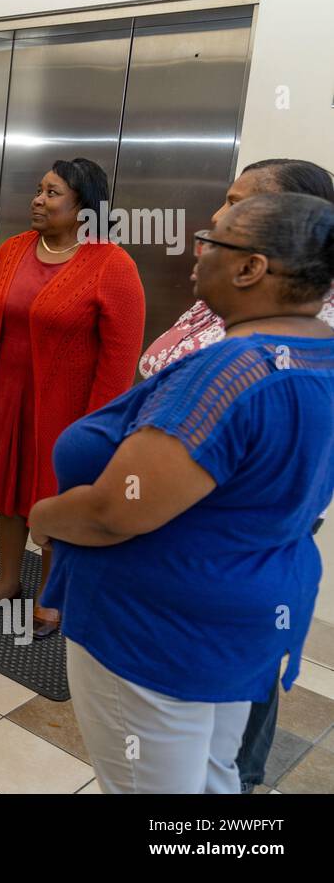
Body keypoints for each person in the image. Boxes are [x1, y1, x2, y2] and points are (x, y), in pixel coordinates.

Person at [29, 193, 334, 793]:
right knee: (213, 777)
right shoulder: (317, 353)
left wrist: (45, 517)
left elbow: (118, 509)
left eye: (213, 239)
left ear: (251, 269)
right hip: (247, 611)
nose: (196, 249)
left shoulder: (232, 370)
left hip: (161, 628)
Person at [137, 157, 334, 793]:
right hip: (171, 535)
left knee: (224, 746)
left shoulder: (312, 327)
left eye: (238, 204)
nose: (217, 217)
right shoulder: (219, 297)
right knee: (180, 739)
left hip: (230, 540)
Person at [0, 159, 144, 637]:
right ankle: (9, 580)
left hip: (67, 413)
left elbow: (119, 360)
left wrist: (97, 429)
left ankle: (51, 596)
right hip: (6, 399)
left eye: (52, 193)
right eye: (38, 190)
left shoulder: (111, 265)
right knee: (9, 494)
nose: (38, 199)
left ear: (83, 206)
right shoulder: (13, 250)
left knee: (55, 500)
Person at [139, 158, 334, 377]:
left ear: (287, 219)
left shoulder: (304, 332)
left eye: (235, 204)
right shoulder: (228, 293)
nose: (216, 216)